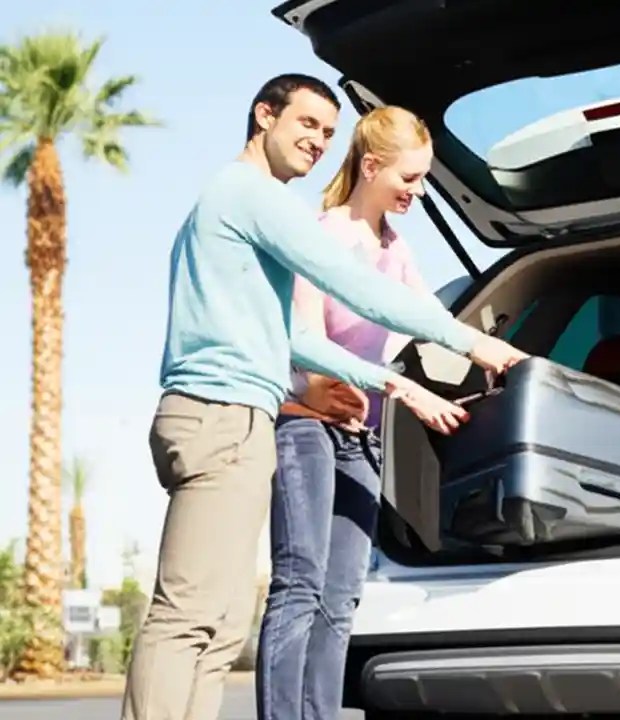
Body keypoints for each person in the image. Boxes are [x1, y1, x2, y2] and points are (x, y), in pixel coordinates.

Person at [120, 74, 526, 720]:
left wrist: (396, 384)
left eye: (327, 132)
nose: (316, 142)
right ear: (264, 116)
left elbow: (292, 337)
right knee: (192, 617)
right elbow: (353, 286)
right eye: (305, 124)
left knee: (220, 626)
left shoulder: (236, 211)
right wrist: (474, 345)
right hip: (222, 414)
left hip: (235, 416)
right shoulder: (250, 194)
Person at [254, 105, 459, 720]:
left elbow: (436, 325)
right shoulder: (321, 235)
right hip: (306, 424)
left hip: (362, 436)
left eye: (423, 180)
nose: (417, 192)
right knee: (300, 583)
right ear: (371, 166)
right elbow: (308, 343)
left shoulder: (397, 249)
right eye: (409, 178)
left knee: (342, 596)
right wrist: (348, 391)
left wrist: (499, 359)